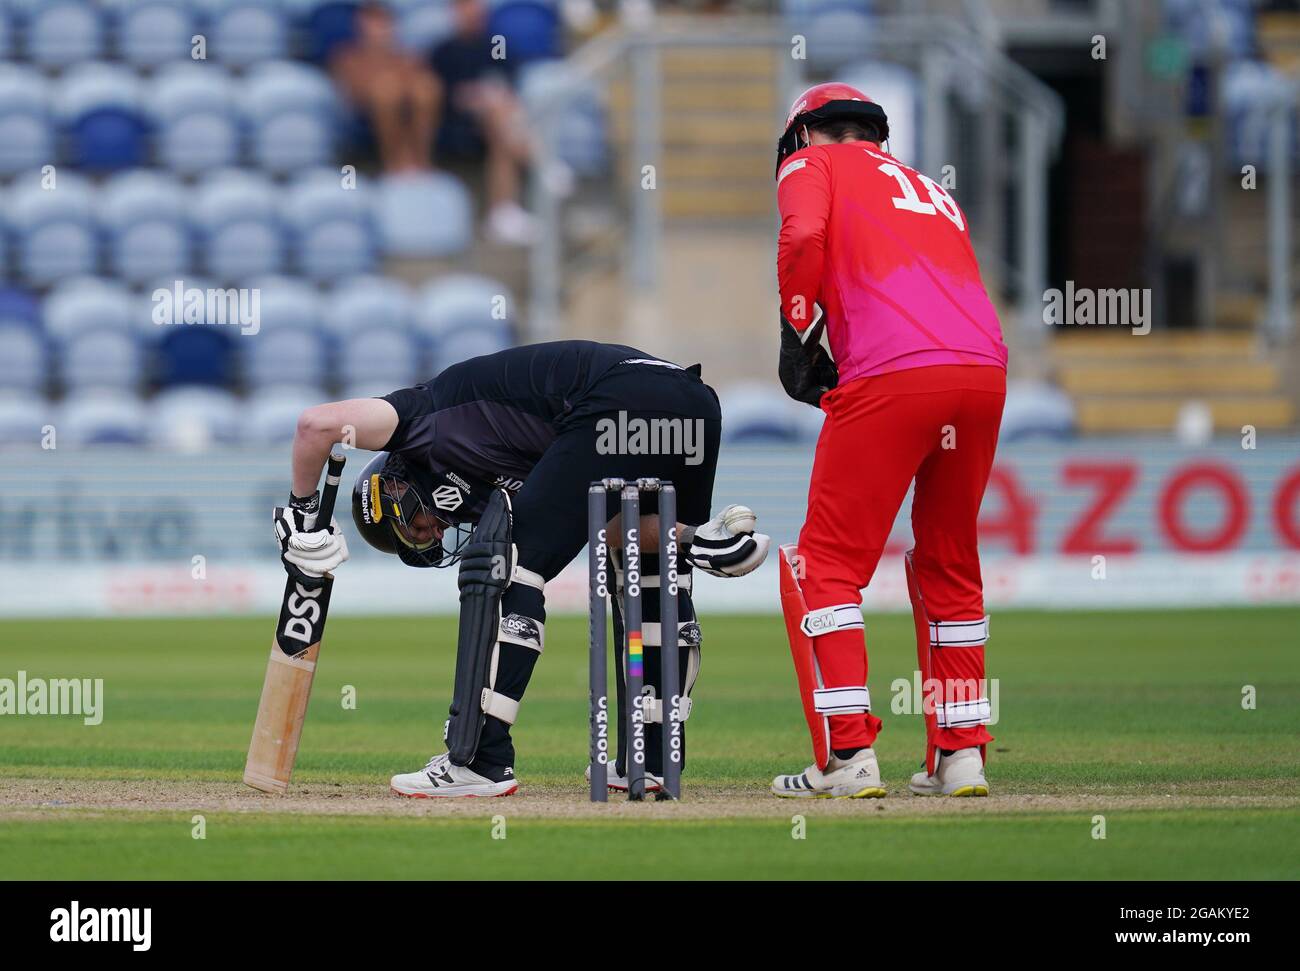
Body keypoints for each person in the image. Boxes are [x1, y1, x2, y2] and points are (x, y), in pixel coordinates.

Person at [274, 341, 770, 797]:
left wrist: (300, 514)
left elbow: (315, 425)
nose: (437, 530)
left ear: (395, 483)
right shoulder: (515, 465)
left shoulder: (420, 416)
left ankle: (478, 762)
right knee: (651, 567)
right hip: (694, 406)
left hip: (615, 395)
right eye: (426, 537)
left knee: (504, 565)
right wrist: (689, 537)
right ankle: (653, 761)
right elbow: (604, 522)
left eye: (416, 526)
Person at [770, 83, 1008, 799]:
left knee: (824, 565)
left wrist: (799, 324)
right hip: (984, 373)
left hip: (894, 376)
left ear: (803, 136)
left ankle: (849, 758)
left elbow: (804, 237)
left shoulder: (811, 165)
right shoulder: (932, 189)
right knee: (950, 561)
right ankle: (961, 755)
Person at [429, 0, 537, 245]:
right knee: (500, 115)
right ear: (455, 13)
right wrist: (475, 97)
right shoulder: (444, 51)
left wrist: (487, 95)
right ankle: (540, 161)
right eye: (464, 8)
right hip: (458, 125)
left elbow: (507, 82)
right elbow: (443, 96)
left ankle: (502, 213)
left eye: (474, 8)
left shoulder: (495, 44)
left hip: (496, 119)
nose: (471, 14)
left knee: (500, 122)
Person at [329, 2, 440, 173]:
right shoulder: (347, 56)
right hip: (365, 110)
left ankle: (421, 159)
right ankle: (394, 163)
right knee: (387, 91)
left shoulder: (405, 55)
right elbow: (353, 91)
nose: (379, 29)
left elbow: (418, 80)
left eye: (383, 23)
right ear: (360, 26)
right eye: (373, 23)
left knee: (425, 88)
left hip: (405, 103)